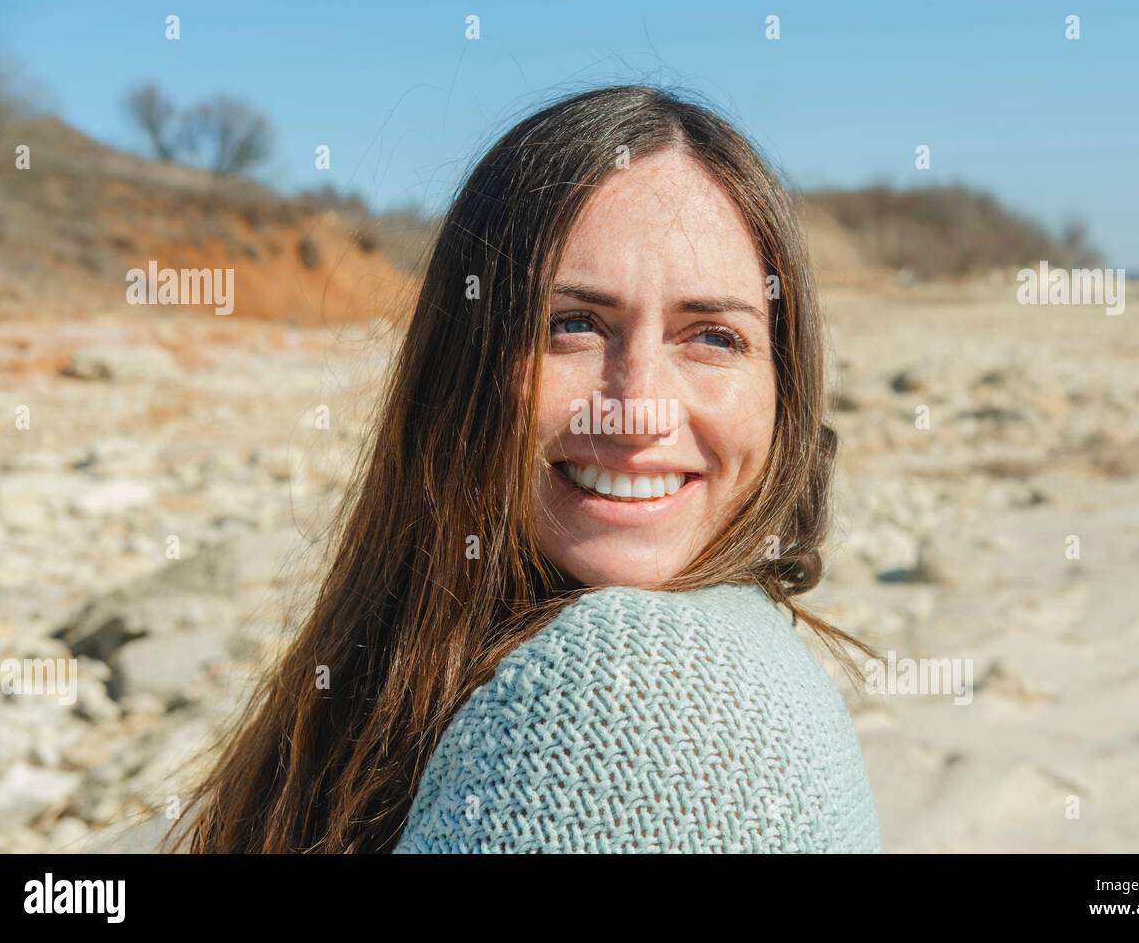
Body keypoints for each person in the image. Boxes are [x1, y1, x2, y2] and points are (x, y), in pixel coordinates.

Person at [169, 84, 881, 853]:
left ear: (787, 388)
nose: (637, 411)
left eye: (711, 337)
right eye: (572, 326)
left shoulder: (632, 692)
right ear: (460, 365)